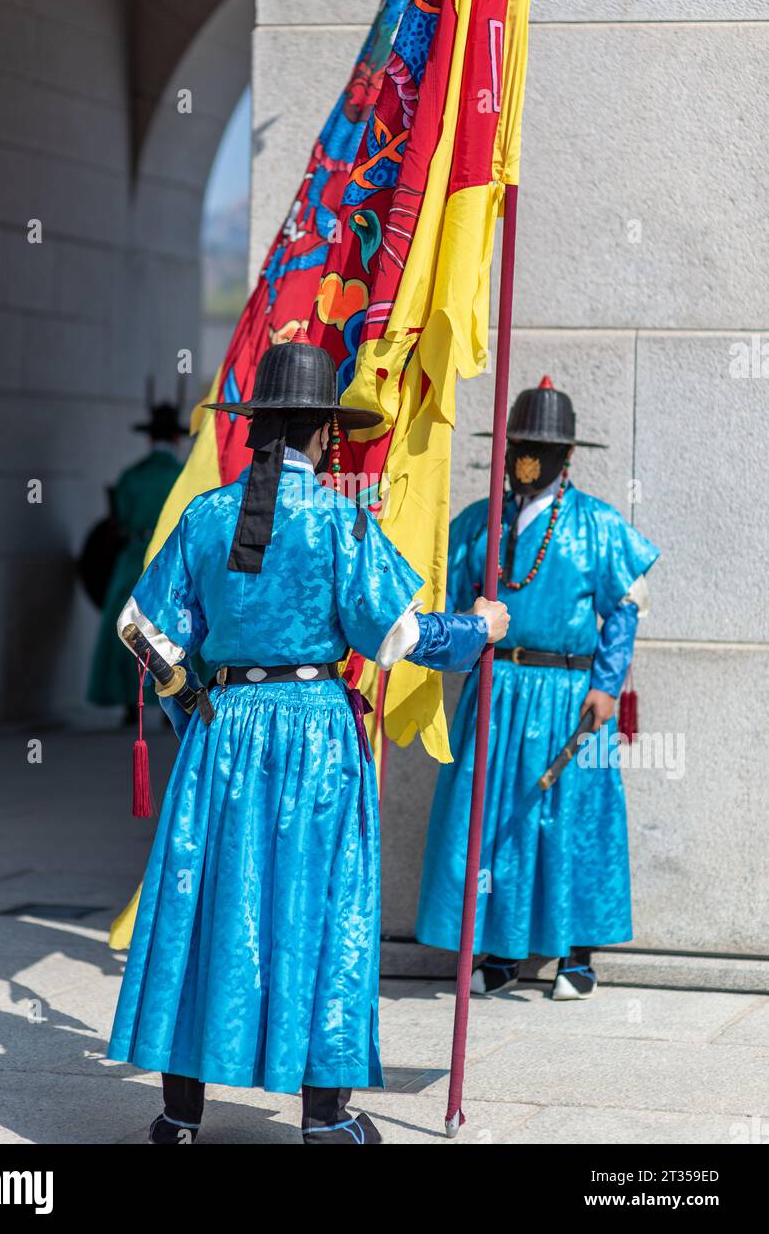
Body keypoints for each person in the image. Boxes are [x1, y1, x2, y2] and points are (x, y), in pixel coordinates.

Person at [105, 333, 509, 1144]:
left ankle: (178, 1116)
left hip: (225, 736)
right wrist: (478, 627)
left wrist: (195, 708)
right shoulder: (337, 520)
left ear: (256, 426)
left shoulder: (206, 515)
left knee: (206, 903)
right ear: (324, 432)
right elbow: (395, 634)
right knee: (322, 912)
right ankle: (325, 1121)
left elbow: (139, 631)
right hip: (315, 735)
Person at [415, 377, 660, 1000]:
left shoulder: (598, 525)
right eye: (518, 442)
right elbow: (444, 603)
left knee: (569, 818)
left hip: (566, 692)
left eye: (541, 446)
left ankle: (577, 953)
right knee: (492, 818)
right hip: (496, 690)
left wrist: (607, 685)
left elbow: (625, 609)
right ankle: (500, 949)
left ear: (567, 456)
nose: (528, 456)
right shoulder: (478, 523)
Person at [87, 400, 184, 718]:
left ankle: (131, 701)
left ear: (149, 438)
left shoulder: (131, 476)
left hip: (132, 558)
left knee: (124, 624)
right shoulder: (182, 476)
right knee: (173, 627)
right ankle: (172, 698)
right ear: (176, 439)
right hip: (168, 559)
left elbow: (120, 521)